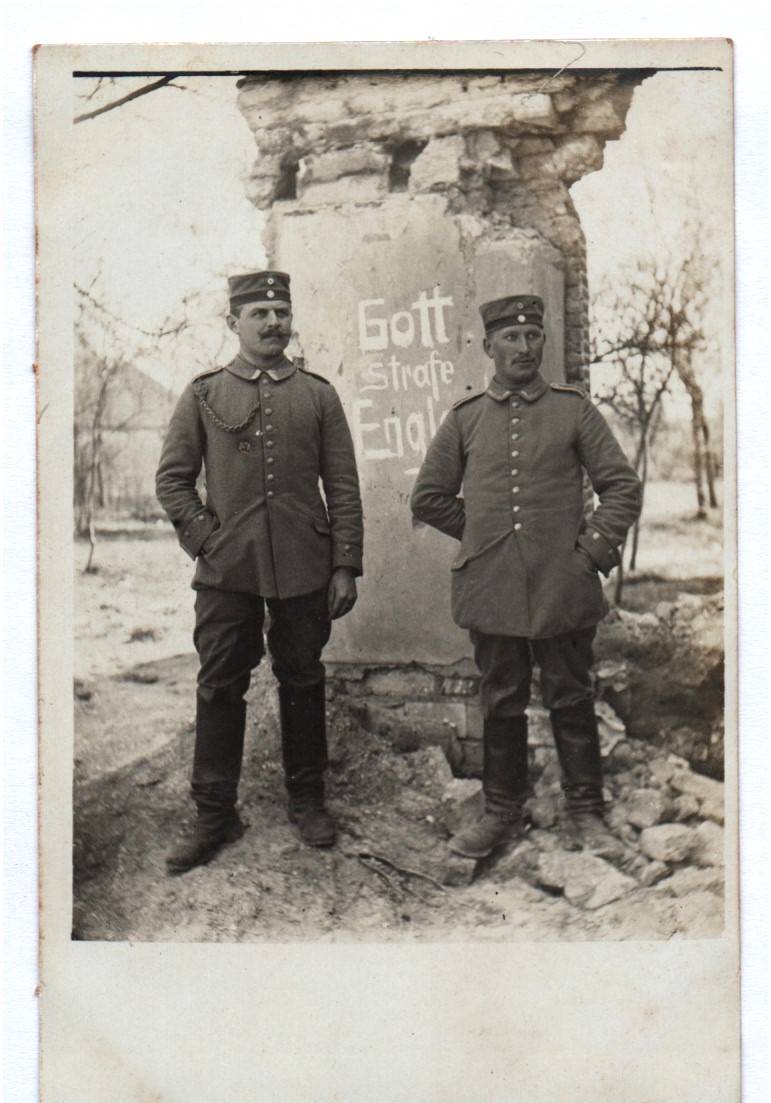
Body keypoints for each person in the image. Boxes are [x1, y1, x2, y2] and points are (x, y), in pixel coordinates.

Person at [410, 294, 642, 858]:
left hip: (563, 586)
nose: (523, 347)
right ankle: (500, 812)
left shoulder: (573, 410)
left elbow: (621, 487)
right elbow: (429, 497)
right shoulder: (465, 419)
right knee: (501, 700)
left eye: (533, 336)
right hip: (491, 589)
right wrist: (484, 535)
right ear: (488, 346)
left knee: (570, 695)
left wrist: (589, 553)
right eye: (510, 338)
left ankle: (587, 812)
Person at [156, 271, 363, 873]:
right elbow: (172, 480)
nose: (274, 323)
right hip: (228, 570)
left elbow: (343, 485)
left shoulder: (319, 395)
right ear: (234, 323)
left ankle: (308, 800)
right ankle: (215, 814)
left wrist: (344, 563)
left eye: (282, 311)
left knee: (302, 677)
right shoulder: (203, 395)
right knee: (220, 683)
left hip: (305, 564)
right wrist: (205, 539)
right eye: (260, 314)